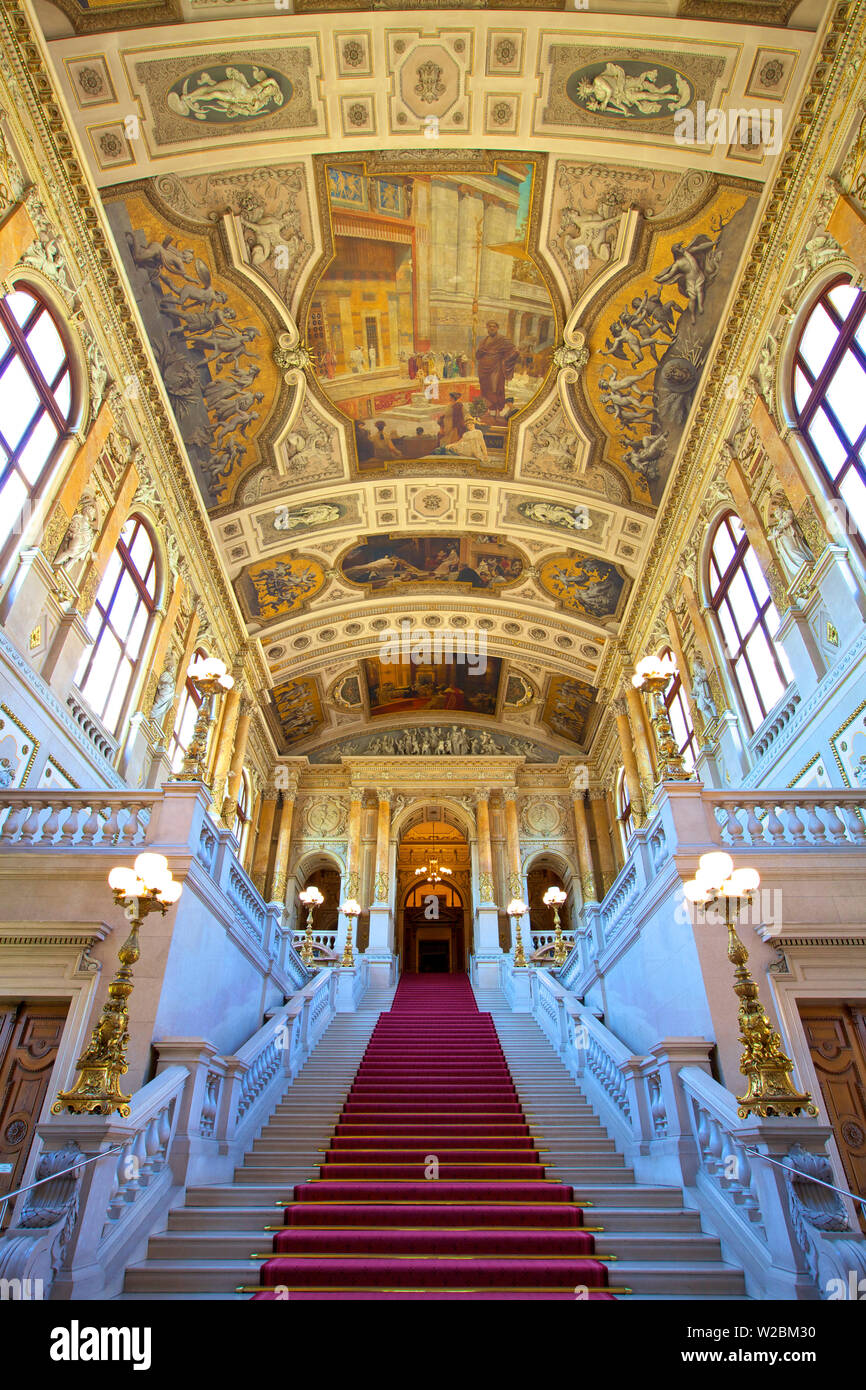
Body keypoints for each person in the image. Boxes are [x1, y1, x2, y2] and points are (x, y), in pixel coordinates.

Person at [475, 320, 520, 412]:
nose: (492, 328)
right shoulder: (483, 341)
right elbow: (477, 356)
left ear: (497, 328)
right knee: (485, 389)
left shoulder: (502, 340)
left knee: (495, 388)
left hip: (496, 368)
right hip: (483, 370)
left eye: (494, 326)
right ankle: (487, 408)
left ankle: (496, 409)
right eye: (490, 326)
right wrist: (480, 352)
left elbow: (515, 351)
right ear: (487, 328)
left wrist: (505, 361)